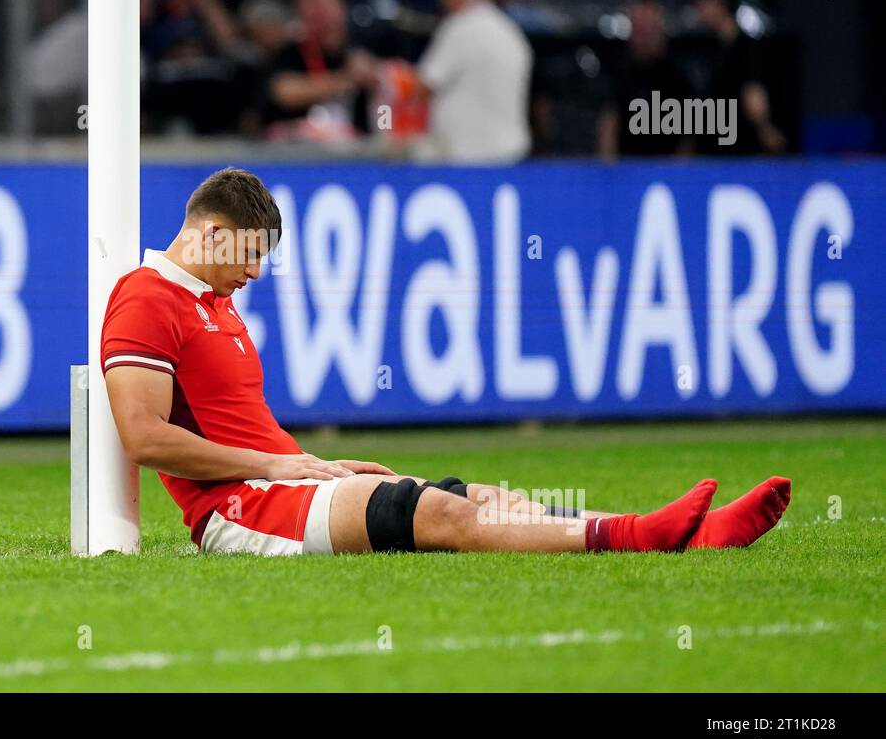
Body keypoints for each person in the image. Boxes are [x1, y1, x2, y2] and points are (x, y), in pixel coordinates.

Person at [101, 168, 791, 557]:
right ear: (213, 232)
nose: (254, 273)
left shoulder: (214, 304)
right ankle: (644, 537)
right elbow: (143, 435)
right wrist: (281, 466)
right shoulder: (145, 298)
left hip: (280, 483)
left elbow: (240, 427)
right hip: (237, 511)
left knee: (477, 495)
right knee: (426, 510)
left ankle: (691, 534)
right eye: (249, 255)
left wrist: (319, 465)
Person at [414, 0, 532, 164]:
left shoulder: (460, 27)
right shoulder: (512, 33)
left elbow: (423, 86)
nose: (442, 2)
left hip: (468, 160)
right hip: (511, 158)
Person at [261, 0, 374, 140]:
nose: (322, 20)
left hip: (362, 149)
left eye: (326, 10)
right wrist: (348, 79)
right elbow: (283, 91)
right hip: (303, 153)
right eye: (312, 14)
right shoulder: (289, 52)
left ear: (342, 6)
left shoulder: (366, 45)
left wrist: (377, 73)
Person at [693, 0, 786, 155]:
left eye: (703, 2)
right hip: (717, 145)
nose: (699, 8)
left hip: (740, 149)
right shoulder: (714, 47)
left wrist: (764, 129)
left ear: (719, 3)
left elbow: (753, 92)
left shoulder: (744, 48)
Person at [595, 0, 692, 160]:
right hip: (628, 167)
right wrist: (609, 170)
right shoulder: (619, 72)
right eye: (640, 31)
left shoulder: (678, 75)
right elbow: (609, 123)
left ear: (661, 33)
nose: (645, 39)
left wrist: (680, 172)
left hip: (668, 167)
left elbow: (688, 132)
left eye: (650, 31)